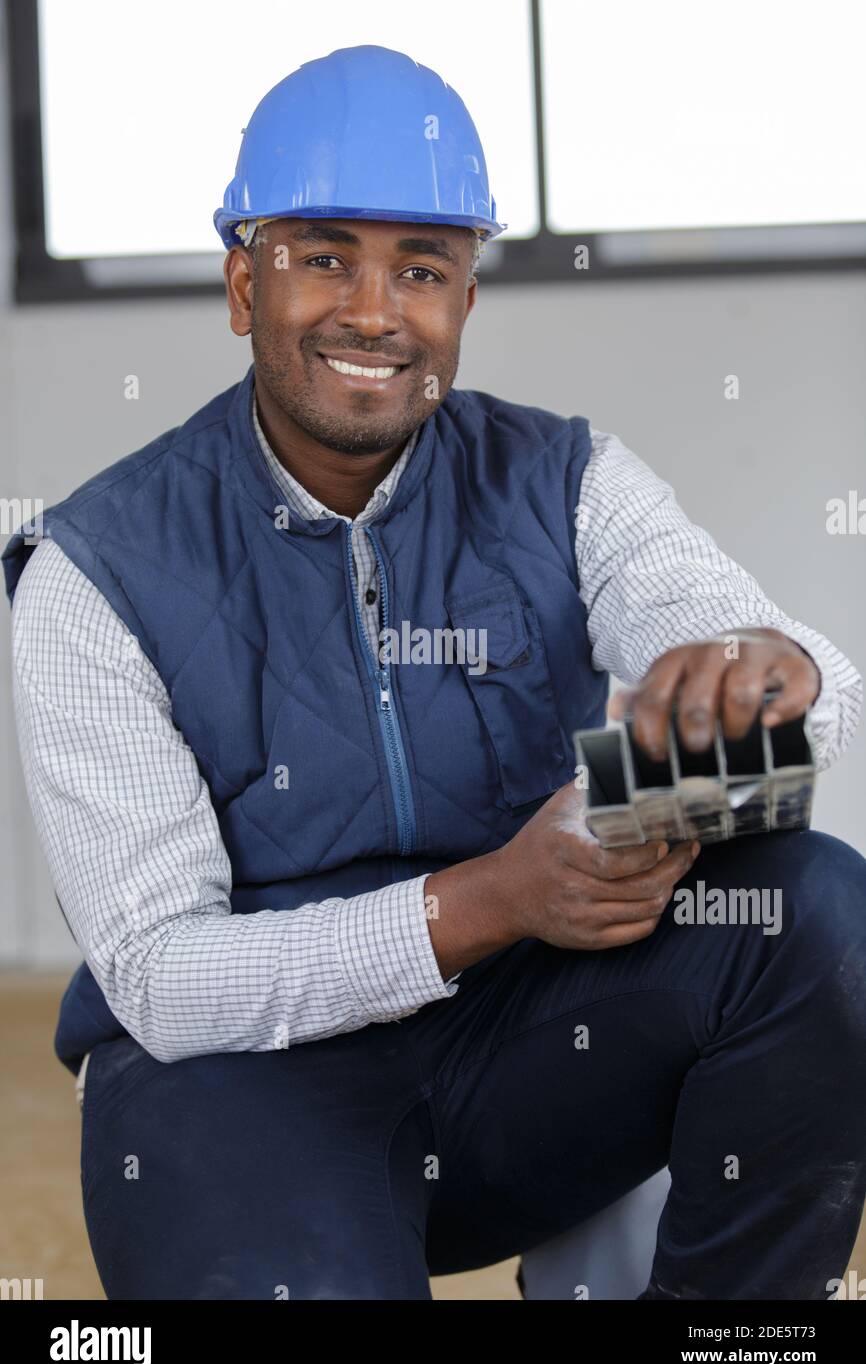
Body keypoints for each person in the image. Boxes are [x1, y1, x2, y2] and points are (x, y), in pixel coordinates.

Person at [4, 45, 865, 1301]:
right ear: (243, 284)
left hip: (533, 1047)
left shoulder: (566, 479)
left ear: (463, 299)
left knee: (816, 909)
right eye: (321, 259)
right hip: (242, 1090)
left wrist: (761, 681)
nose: (371, 311)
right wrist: (491, 900)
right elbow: (163, 976)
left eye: (420, 268)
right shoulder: (95, 569)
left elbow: (800, 688)